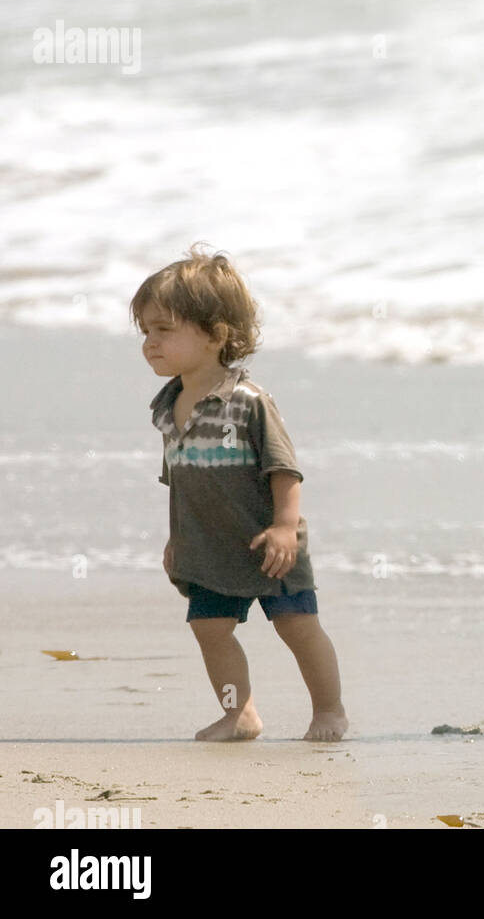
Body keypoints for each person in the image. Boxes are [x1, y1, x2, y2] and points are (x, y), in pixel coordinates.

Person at [131, 246, 347, 742]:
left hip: (270, 543)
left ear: (216, 334)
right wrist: (175, 540)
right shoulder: (167, 408)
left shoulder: (248, 402)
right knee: (210, 630)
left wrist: (285, 527)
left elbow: (284, 468)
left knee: (297, 625)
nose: (150, 342)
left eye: (165, 329)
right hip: (208, 547)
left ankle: (330, 709)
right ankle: (240, 712)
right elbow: (179, 484)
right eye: (145, 331)